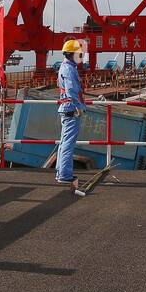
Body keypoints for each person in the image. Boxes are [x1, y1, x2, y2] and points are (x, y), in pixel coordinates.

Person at [55, 39, 88, 187]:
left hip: (66, 108)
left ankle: (60, 172)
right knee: (68, 144)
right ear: (71, 54)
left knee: (63, 143)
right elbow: (72, 89)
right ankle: (65, 175)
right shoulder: (69, 69)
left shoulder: (65, 67)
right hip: (71, 109)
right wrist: (78, 107)